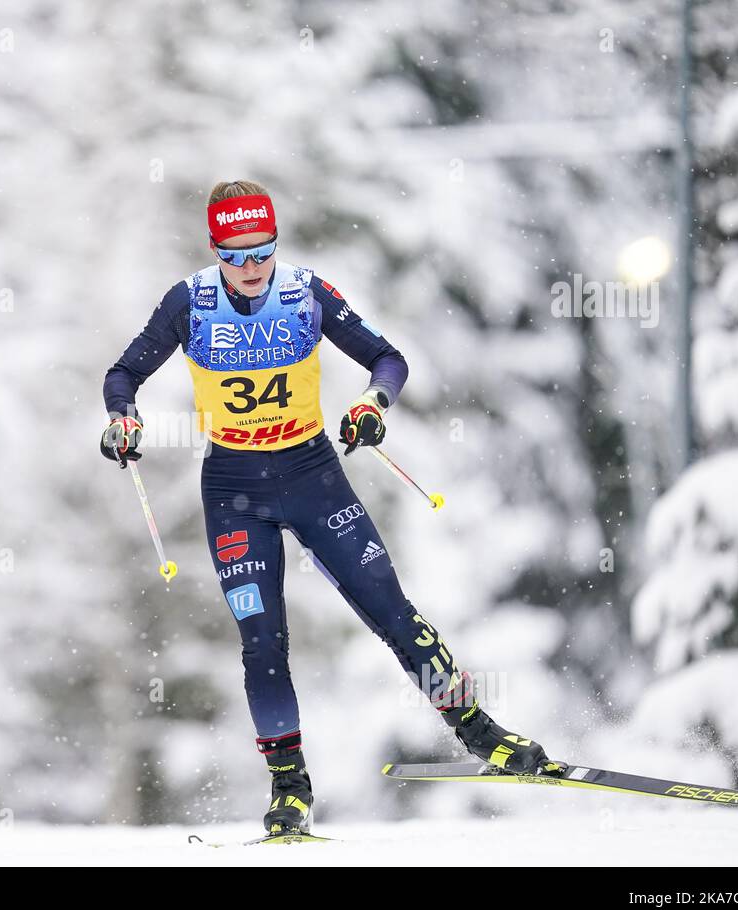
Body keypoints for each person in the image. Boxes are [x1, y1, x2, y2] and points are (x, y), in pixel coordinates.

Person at [101, 180, 555, 836]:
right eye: (238, 255)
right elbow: (123, 374)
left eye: (265, 251)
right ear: (215, 251)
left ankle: (486, 737)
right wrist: (124, 419)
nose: (254, 268)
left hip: (314, 478)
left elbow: (387, 359)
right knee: (262, 638)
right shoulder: (189, 303)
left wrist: (372, 404)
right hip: (234, 492)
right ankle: (290, 789)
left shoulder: (305, 292)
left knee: (391, 612)